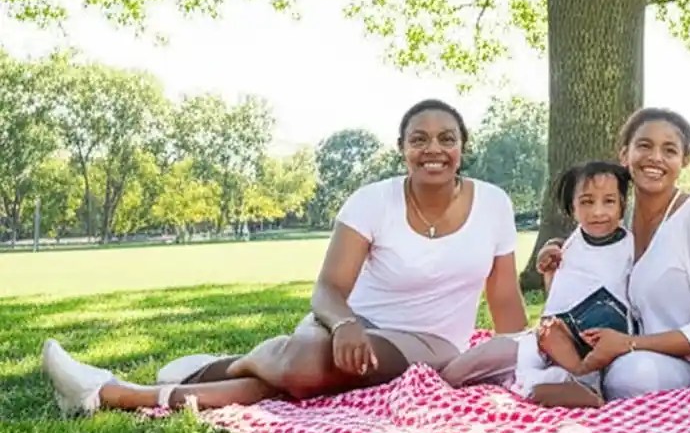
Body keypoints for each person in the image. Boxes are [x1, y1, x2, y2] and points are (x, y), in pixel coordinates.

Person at [40, 99, 529, 416]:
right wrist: (343, 324)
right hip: (348, 324)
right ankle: (112, 392)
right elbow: (328, 289)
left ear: (463, 148)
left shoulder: (494, 204)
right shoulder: (371, 201)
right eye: (418, 139)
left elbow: (505, 298)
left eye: (446, 137)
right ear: (402, 149)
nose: (433, 149)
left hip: (430, 342)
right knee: (298, 374)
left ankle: (131, 389)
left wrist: (523, 363)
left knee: (304, 368)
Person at [534, 108, 690, 401]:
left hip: (686, 364)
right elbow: (583, 277)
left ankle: (586, 388)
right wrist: (554, 258)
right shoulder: (618, 218)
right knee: (536, 350)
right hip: (611, 350)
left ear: (685, 160)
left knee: (630, 375)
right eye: (644, 145)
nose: (655, 157)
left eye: (669, 150)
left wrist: (630, 344)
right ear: (624, 154)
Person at [512, 161, 637, 408]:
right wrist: (551, 251)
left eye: (609, 201)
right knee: (542, 335)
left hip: (609, 328)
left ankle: (578, 380)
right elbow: (563, 288)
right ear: (573, 208)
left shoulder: (631, 245)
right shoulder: (572, 243)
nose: (598, 212)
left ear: (623, 206)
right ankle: (577, 379)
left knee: (543, 342)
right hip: (568, 328)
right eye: (587, 202)